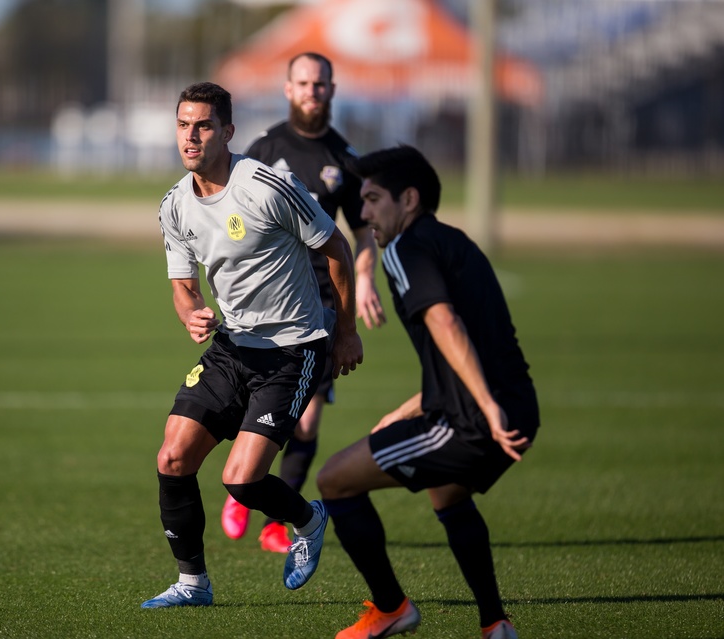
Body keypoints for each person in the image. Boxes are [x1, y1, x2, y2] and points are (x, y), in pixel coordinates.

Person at [142, 81, 364, 609]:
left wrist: (347, 330)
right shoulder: (174, 205)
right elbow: (182, 283)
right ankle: (192, 583)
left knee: (241, 481)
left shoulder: (266, 185)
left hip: (293, 349)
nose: (190, 136)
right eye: (182, 125)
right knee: (173, 458)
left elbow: (337, 246)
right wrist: (191, 314)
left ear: (227, 132)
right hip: (231, 347)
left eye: (202, 126)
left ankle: (308, 520)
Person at [316, 145, 539, 639]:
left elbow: (444, 322)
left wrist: (484, 408)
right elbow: (470, 345)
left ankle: (391, 608)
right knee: (447, 493)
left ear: (409, 199)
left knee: (334, 480)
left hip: (474, 420)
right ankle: (495, 623)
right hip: (517, 407)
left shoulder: (403, 250)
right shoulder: (455, 243)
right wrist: (409, 407)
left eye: (373, 199)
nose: (365, 213)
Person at [221, 51, 387, 554]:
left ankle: (277, 516)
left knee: (308, 416)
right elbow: (234, 213)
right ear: (288, 89)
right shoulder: (265, 148)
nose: (312, 91)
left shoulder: (345, 158)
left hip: (324, 297)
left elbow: (365, 233)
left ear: (332, 90)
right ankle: (244, 484)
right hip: (271, 294)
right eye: (303, 82)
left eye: (321, 83)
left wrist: (365, 277)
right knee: (258, 398)